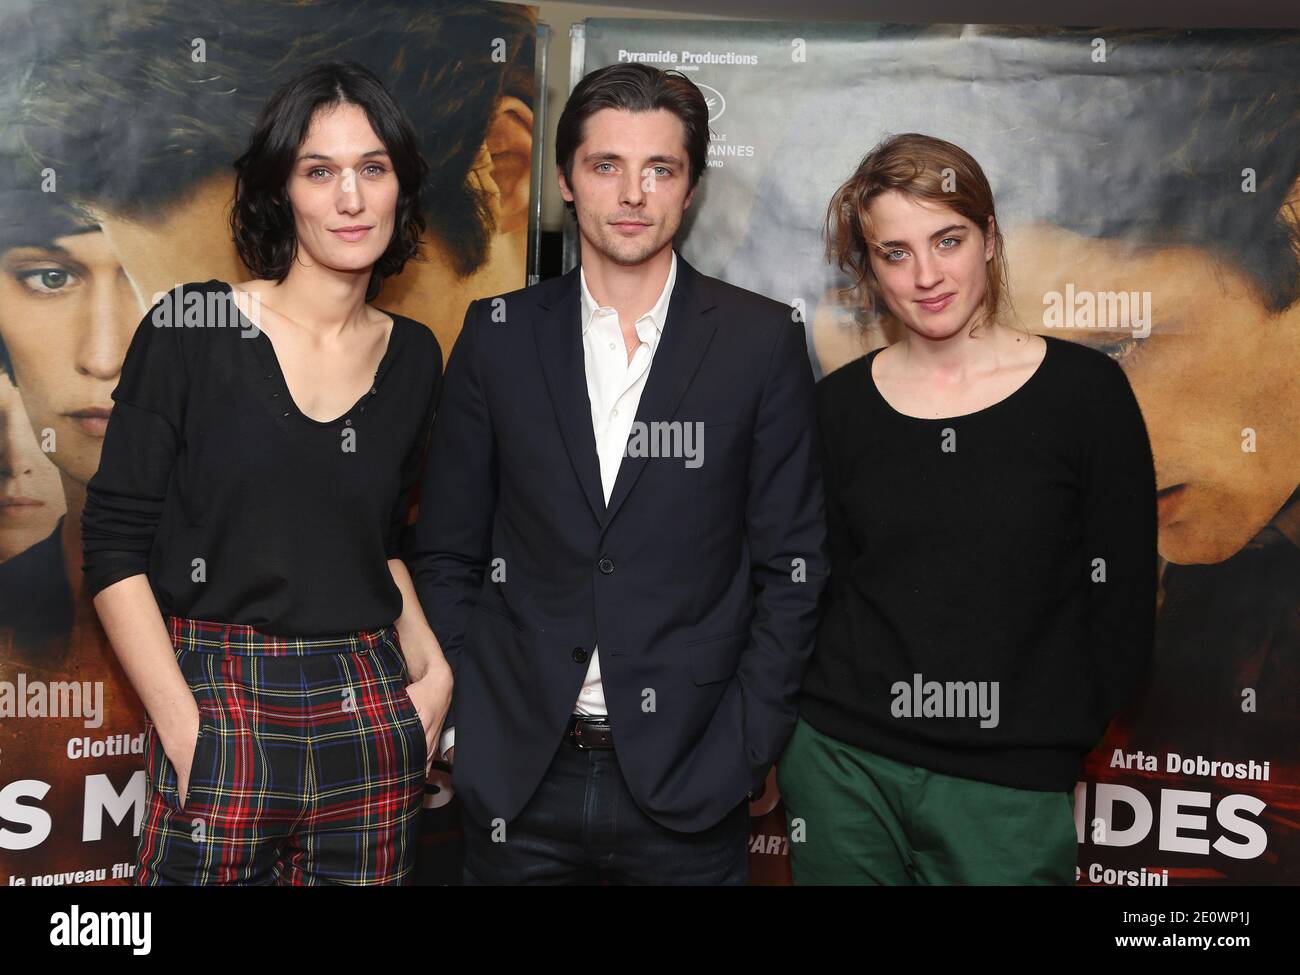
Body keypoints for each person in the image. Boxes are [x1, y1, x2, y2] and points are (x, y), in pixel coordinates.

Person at [408, 62, 827, 885]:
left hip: (690, 783)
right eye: (607, 166)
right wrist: (464, 729)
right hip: (519, 780)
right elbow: (449, 549)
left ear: (691, 187)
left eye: (659, 168)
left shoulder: (760, 341)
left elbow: (793, 568)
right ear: (565, 180)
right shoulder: (496, 334)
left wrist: (747, 743)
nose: (633, 193)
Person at [81, 61, 450, 885]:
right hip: (220, 693)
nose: (350, 198)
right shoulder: (193, 327)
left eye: (373, 168)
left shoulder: (417, 355)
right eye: (319, 171)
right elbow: (112, 547)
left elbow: (381, 540)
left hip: (369, 701)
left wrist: (433, 672)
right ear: (283, 191)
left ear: (401, 188)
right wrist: (182, 721)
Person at [777, 133, 1158, 884]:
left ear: (989, 239)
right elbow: (813, 584)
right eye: (895, 252)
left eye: (947, 239)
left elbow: (1121, 600)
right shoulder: (838, 407)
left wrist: (1055, 741)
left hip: (1009, 787)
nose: (926, 275)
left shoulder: (1086, 396)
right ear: (869, 268)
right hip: (841, 766)